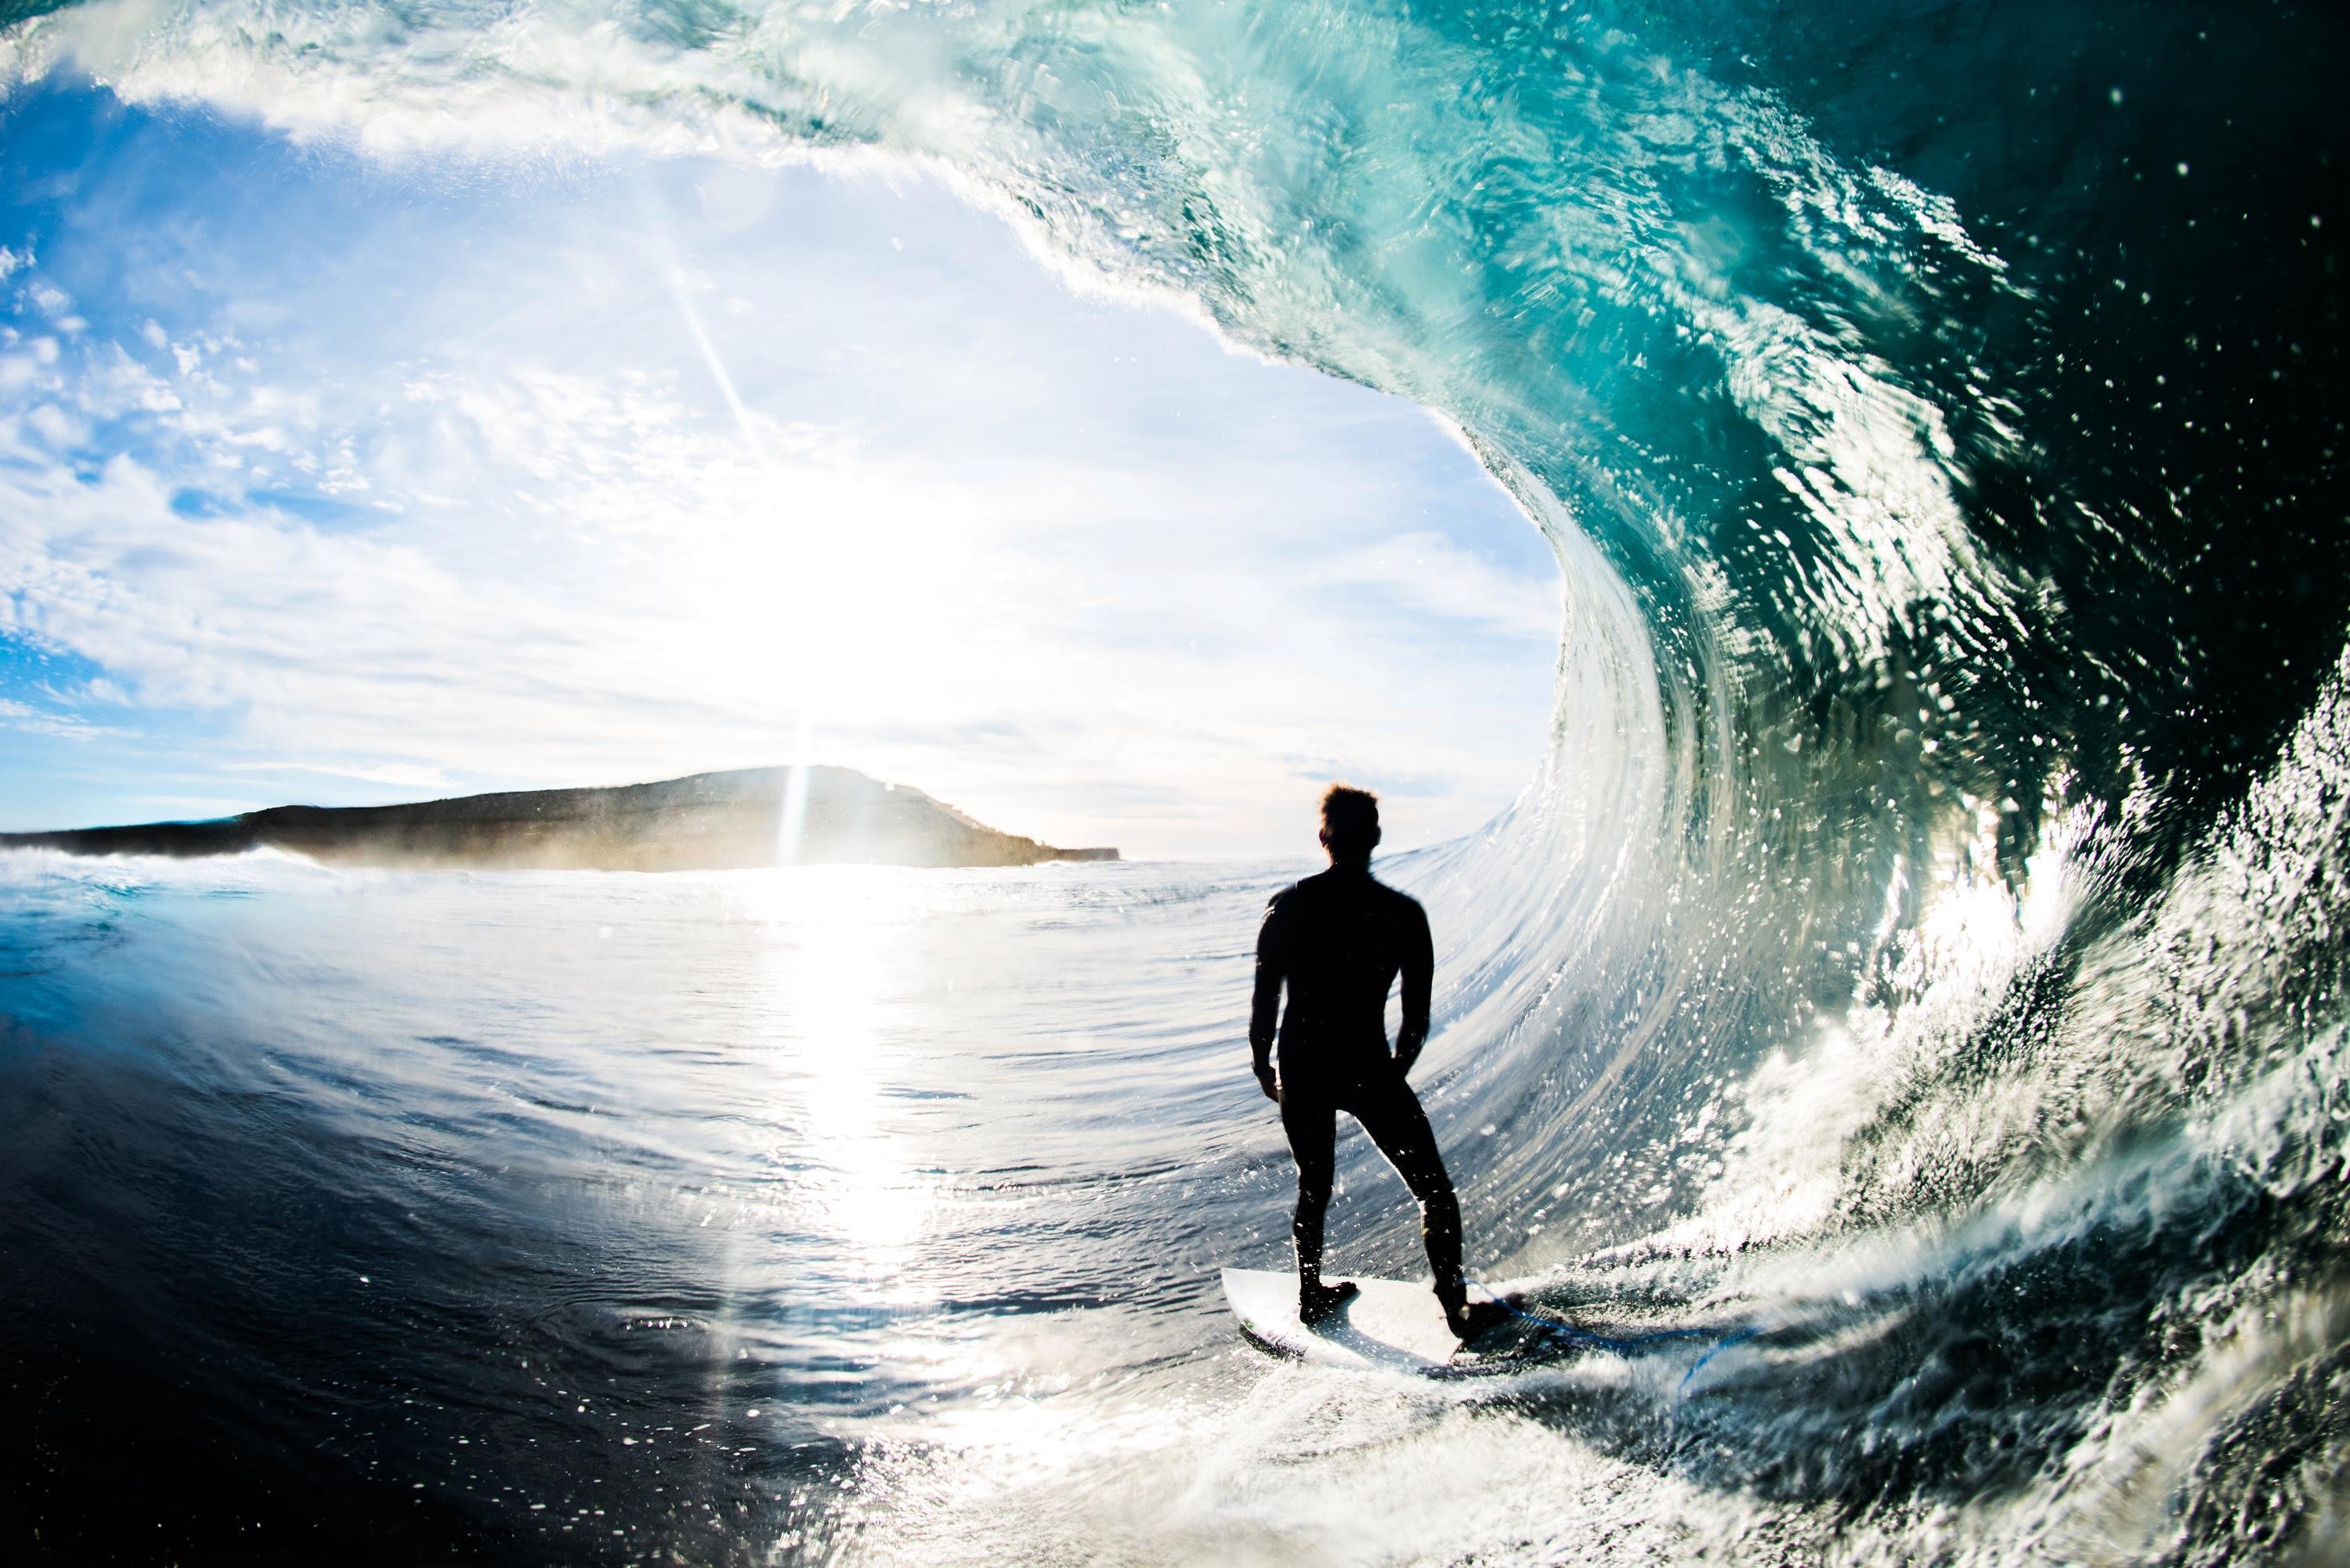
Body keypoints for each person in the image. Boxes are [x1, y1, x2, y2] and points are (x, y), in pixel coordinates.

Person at [1249, 784, 1503, 1339]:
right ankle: (1455, 1306)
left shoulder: (1288, 906)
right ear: (1377, 839)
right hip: (1366, 1064)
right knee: (1434, 1191)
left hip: (1304, 1065)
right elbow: (1415, 1020)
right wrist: (1394, 1073)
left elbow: (1265, 998)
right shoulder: (1403, 915)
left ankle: (1311, 1294)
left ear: (1324, 839)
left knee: (1313, 1186)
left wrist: (1261, 1064)